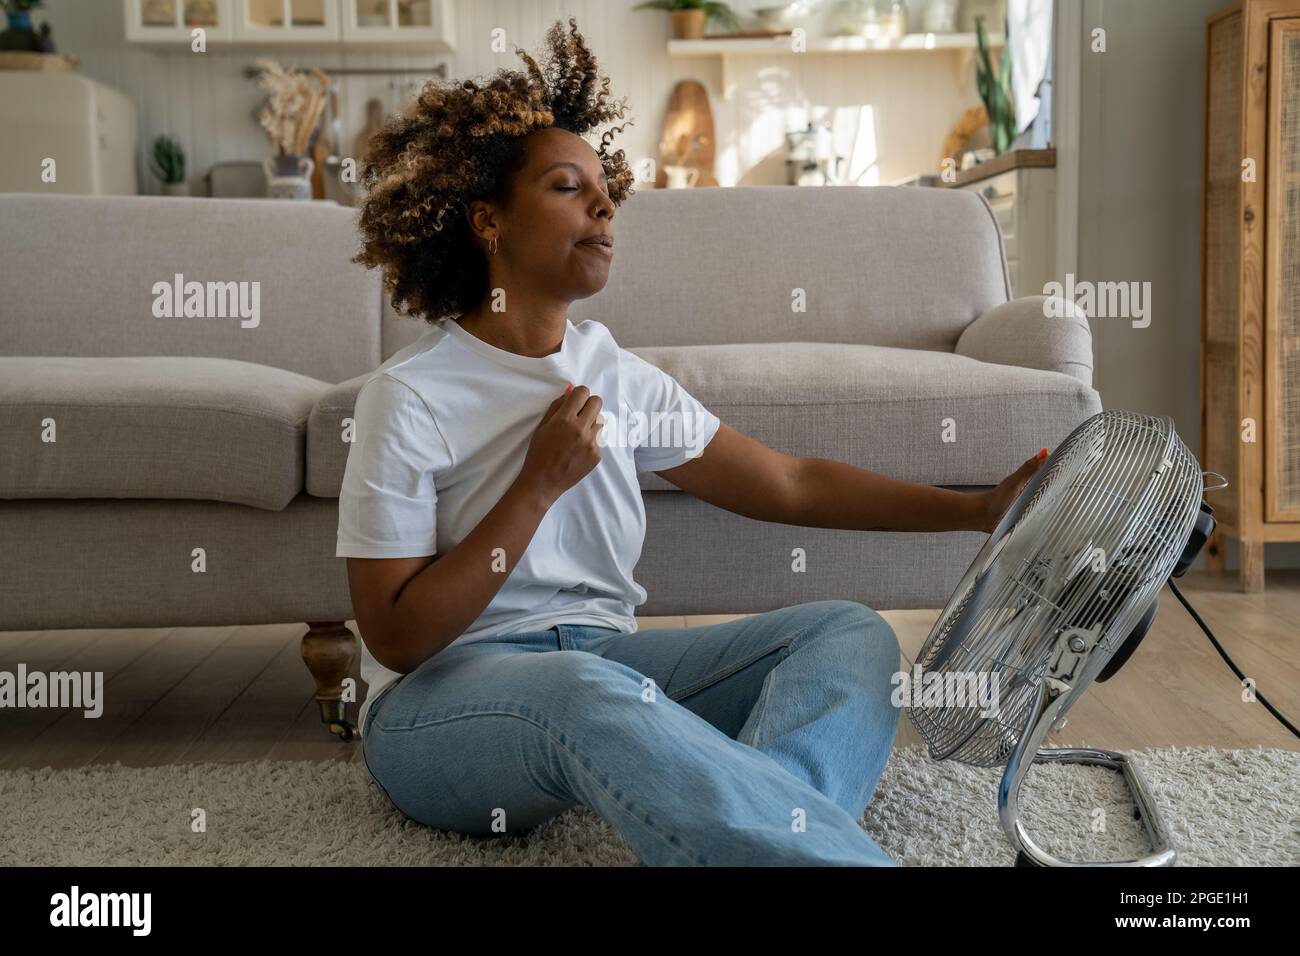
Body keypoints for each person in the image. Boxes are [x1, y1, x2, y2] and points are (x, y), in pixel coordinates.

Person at [339, 17, 1047, 866]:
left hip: (607, 668)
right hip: (441, 707)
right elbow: (394, 638)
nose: (604, 205)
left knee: (850, 637)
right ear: (487, 223)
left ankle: (765, 835)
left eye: (605, 189)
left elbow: (787, 483)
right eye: (568, 187)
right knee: (588, 689)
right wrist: (535, 488)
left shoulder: (616, 375)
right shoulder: (409, 395)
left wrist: (978, 511)